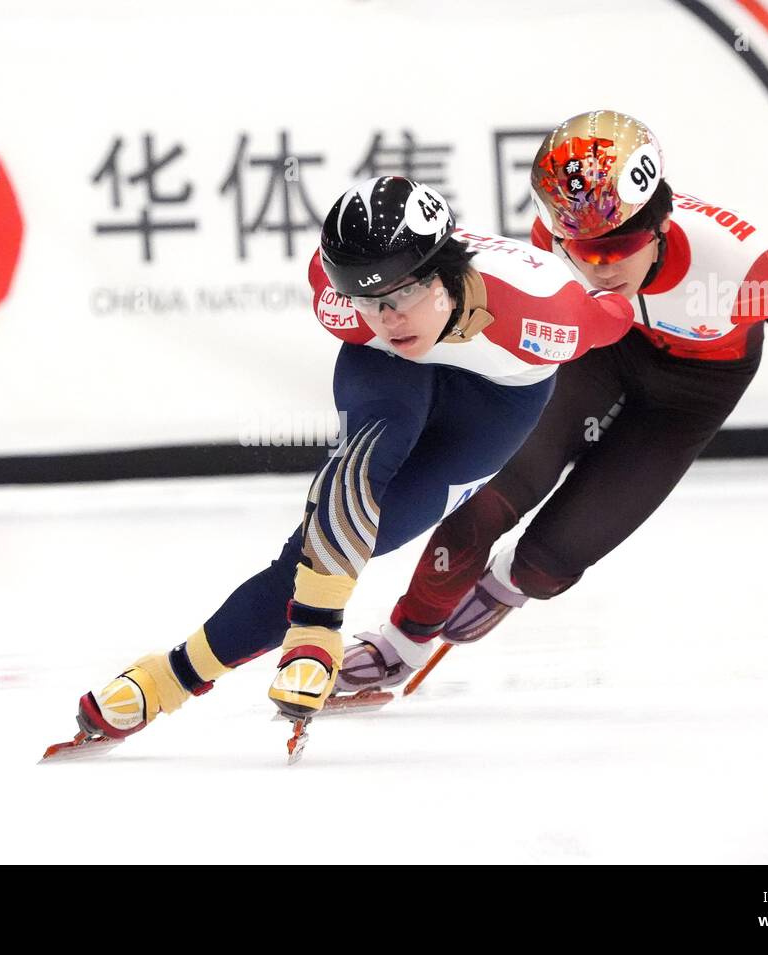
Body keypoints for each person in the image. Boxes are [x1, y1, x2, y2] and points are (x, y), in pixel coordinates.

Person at [63, 175, 635, 749]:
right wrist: (316, 616)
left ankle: (209, 661)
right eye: (371, 300)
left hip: (494, 404)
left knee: (366, 537)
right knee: (344, 496)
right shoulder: (343, 303)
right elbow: (377, 316)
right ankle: (195, 672)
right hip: (393, 371)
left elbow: (619, 305)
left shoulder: (554, 314)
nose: (389, 317)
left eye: (404, 294)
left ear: (445, 272)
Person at [334, 111, 768, 693]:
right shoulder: (556, 237)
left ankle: (510, 581)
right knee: (485, 502)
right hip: (601, 349)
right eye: (579, 249)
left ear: (661, 225)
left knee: (547, 566)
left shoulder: (740, 272)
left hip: (694, 390)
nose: (599, 266)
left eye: (618, 246)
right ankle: (401, 644)